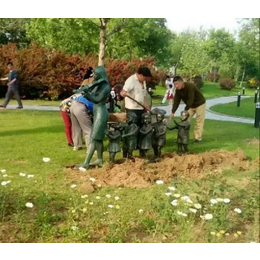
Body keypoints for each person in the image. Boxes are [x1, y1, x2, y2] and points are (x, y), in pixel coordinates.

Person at [75, 66, 110, 169]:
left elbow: (97, 99)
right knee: (98, 139)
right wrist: (86, 89)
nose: (94, 75)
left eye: (96, 74)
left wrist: (87, 94)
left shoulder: (105, 86)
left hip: (101, 112)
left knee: (94, 138)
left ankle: (86, 162)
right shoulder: (98, 84)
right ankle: (99, 160)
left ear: (100, 74)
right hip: (96, 112)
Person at [169, 76, 206, 144]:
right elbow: (176, 101)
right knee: (184, 121)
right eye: (174, 84)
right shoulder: (178, 91)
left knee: (199, 122)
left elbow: (190, 99)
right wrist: (173, 112)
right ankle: (182, 137)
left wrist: (185, 110)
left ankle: (197, 139)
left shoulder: (190, 86)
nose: (176, 86)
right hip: (190, 105)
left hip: (200, 104)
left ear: (182, 82)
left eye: (177, 84)